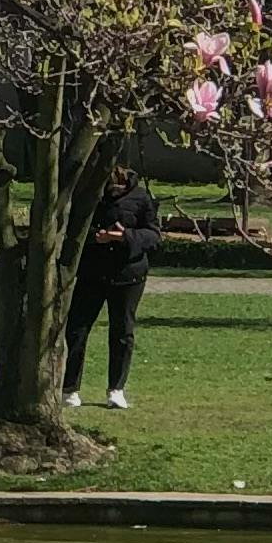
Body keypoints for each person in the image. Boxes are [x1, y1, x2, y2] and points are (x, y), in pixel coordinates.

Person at [63, 159, 160, 412]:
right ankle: (70, 388)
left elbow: (153, 235)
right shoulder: (89, 194)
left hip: (128, 275)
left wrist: (124, 236)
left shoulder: (141, 197)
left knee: (122, 332)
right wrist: (97, 236)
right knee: (77, 329)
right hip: (92, 272)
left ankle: (116, 389)